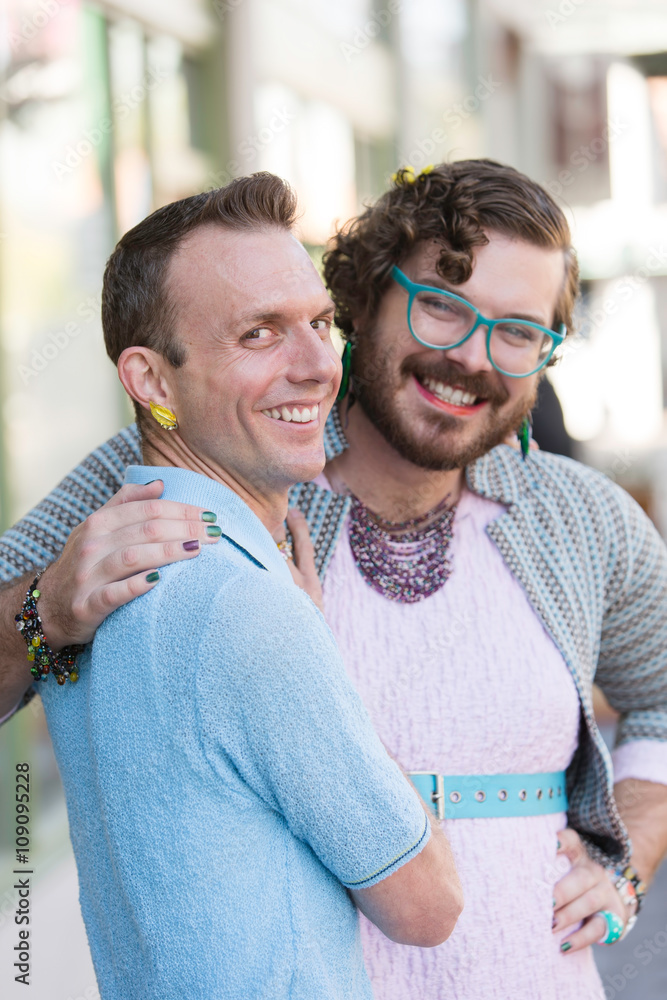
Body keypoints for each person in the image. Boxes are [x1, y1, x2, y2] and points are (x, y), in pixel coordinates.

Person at [1, 160, 667, 999]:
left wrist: (624, 863)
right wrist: (42, 609)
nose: (471, 358)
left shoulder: (581, 520)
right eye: (440, 306)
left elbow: (661, 695)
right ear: (366, 299)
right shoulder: (204, 467)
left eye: (517, 332)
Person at [2, 174, 463, 1000]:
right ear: (151, 381)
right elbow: (427, 906)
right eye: (259, 334)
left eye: (319, 324)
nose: (319, 364)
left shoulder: (111, 566)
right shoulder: (238, 604)